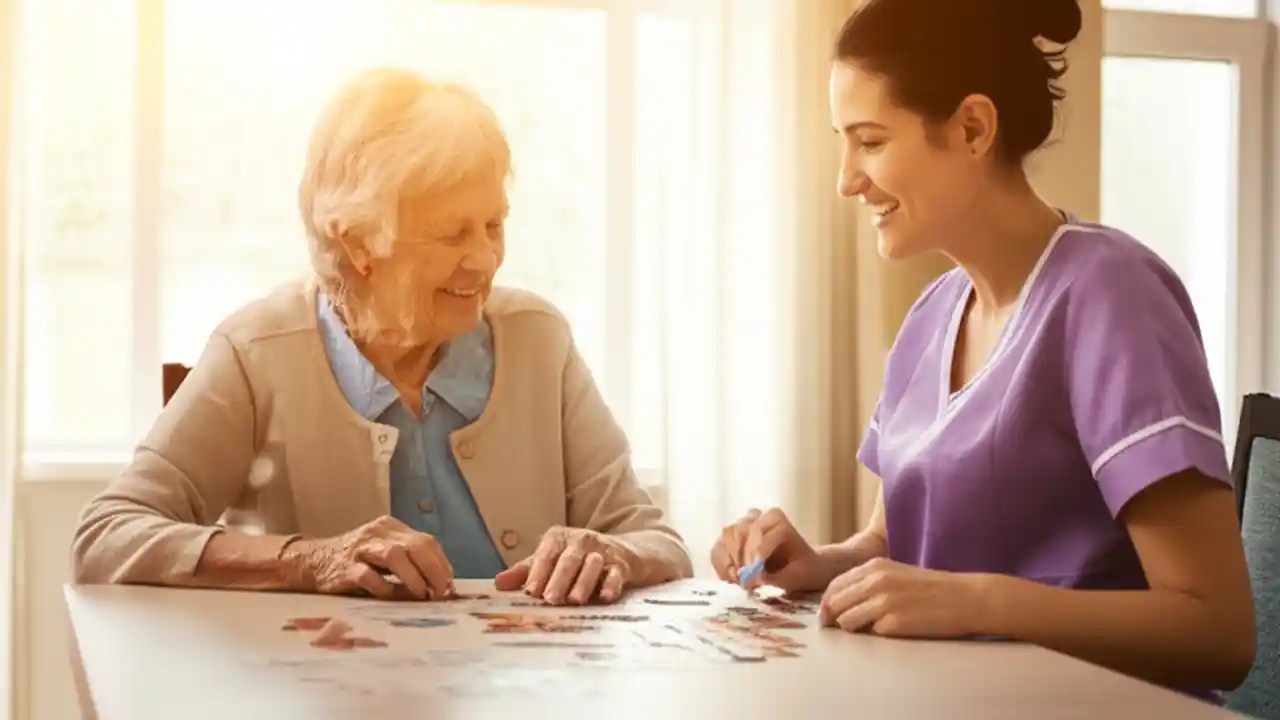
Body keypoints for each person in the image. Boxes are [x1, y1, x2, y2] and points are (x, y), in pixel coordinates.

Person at [711, 0, 1255, 699]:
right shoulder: (932, 316)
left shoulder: (1113, 296)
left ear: (972, 128)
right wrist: (815, 564)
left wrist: (979, 604)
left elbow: (1218, 634)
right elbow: (890, 545)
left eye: (870, 141)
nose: (846, 178)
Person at [72, 67, 691, 606]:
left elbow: (656, 541)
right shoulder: (256, 353)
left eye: (494, 224)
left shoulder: (540, 341)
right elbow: (105, 537)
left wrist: (614, 554)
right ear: (358, 242)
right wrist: (305, 560)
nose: (484, 259)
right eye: (452, 235)